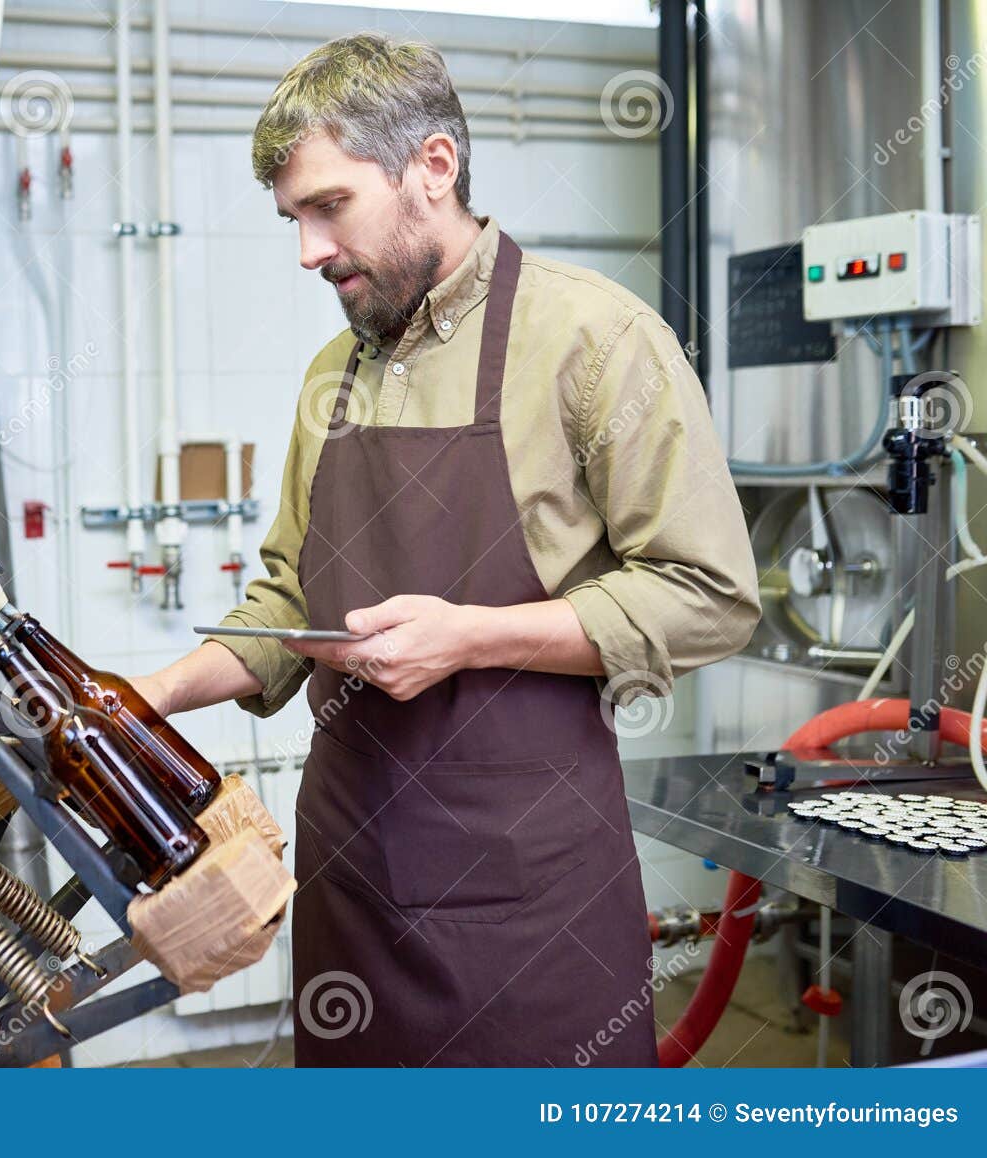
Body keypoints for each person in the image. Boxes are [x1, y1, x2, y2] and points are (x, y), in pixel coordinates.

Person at [129, 32, 761, 1066]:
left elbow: (710, 594)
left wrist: (469, 638)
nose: (309, 252)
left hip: (526, 896)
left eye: (330, 206)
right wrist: (145, 697)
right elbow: (286, 602)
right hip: (352, 878)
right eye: (293, 219)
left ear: (433, 165)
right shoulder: (333, 372)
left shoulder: (595, 341)